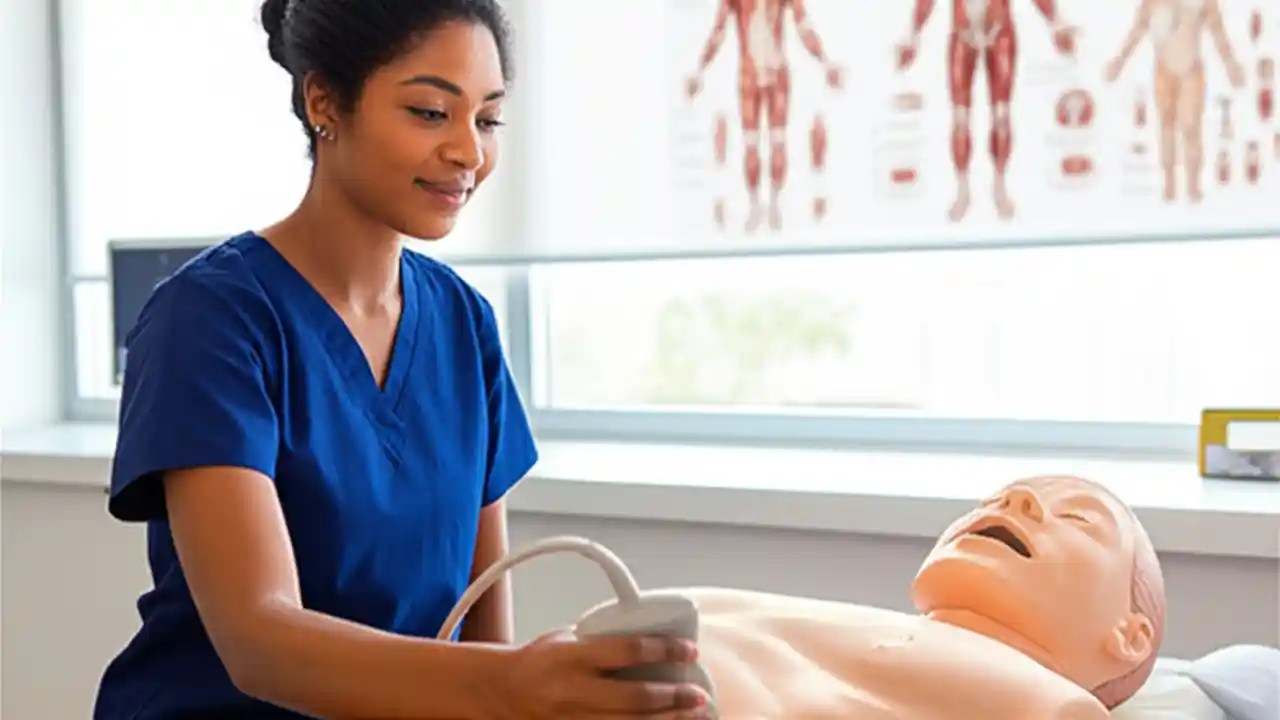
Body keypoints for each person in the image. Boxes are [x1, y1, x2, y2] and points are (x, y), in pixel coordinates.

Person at [93, 1, 713, 718]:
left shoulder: (462, 323)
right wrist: (513, 685)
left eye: (487, 120)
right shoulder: (208, 320)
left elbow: (482, 630)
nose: (469, 153)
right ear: (323, 101)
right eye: (428, 112)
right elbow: (258, 641)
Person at [579, 475, 1167, 718]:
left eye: (1080, 520)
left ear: (1129, 638)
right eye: (995, 499)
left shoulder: (1058, 710)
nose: (1014, 505)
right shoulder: (866, 630)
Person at [897, 0, 1077, 222]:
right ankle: (963, 189)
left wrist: (1055, 23)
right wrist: (913, 35)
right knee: (960, 118)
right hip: (963, 34)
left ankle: (999, 184)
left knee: (1001, 116)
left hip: (1000, 33)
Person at [685, 0, 843, 233]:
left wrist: (826, 62)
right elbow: (719, 31)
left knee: (776, 140)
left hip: (773, 73)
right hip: (753, 75)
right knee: (753, 142)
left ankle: (773, 204)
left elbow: (803, 26)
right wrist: (700, 69)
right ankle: (757, 205)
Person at [1104, 0, 1246, 203]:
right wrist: (1118, 63)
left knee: (1190, 127)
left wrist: (1231, 66)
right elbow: (1136, 31)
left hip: (1191, 70)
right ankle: (1169, 184)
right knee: (1167, 127)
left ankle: (1193, 186)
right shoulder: (1151, 3)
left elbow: (1218, 32)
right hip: (1164, 70)